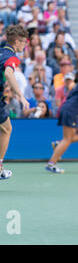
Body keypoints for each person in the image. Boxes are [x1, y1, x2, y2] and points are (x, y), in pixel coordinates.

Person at [0, 25, 30, 179]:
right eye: (24, 42)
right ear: (17, 42)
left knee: (5, 128)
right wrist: (21, 95)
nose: (25, 45)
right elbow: (8, 73)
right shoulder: (12, 57)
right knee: (6, 130)